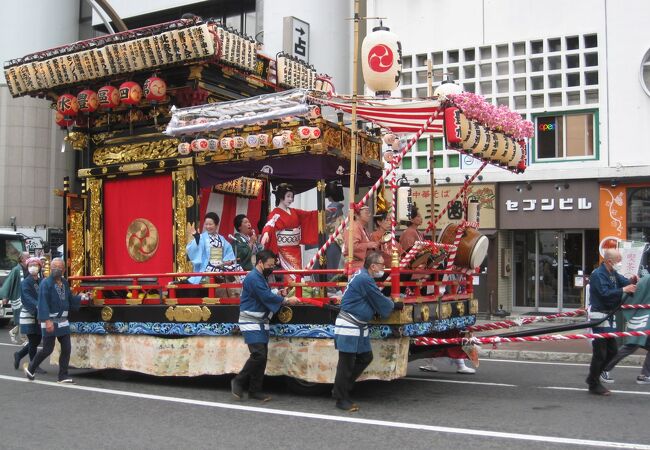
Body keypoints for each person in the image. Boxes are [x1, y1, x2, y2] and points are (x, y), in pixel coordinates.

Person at [332, 252, 403, 411]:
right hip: (349, 323)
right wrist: (393, 305)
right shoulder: (364, 279)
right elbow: (377, 298)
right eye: (381, 265)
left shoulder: (364, 276)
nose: (383, 268)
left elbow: (373, 298)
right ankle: (340, 397)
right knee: (346, 362)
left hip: (359, 324)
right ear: (373, 266)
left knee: (365, 357)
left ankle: (343, 388)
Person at [231, 250, 300, 401]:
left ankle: (255, 390)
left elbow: (267, 293)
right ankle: (238, 380)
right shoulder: (253, 278)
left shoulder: (260, 277)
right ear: (260, 263)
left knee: (262, 357)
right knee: (258, 355)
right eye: (269, 265)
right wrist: (286, 300)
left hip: (261, 321)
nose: (271, 268)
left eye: (272, 265)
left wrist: (280, 293)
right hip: (250, 320)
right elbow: (265, 296)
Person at [24, 258, 85, 383]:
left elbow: (69, 298)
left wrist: (82, 298)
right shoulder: (45, 283)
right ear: (51, 268)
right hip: (50, 320)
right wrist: (46, 321)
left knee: (67, 348)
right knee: (48, 349)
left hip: (63, 320)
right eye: (54, 266)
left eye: (59, 266)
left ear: (63, 269)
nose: (56, 269)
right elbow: (43, 303)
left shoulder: (65, 282)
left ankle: (63, 375)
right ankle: (31, 367)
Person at [586, 248, 637, 395]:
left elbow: (624, 282)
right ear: (609, 261)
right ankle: (593, 383)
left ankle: (593, 378)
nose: (619, 264)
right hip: (599, 316)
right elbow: (604, 294)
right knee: (600, 352)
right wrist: (624, 290)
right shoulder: (598, 274)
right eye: (618, 261)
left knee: (612, 351)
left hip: (609, 315)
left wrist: (633, 281)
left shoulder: (612, 273)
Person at [600, 274, 650, 386]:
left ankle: (645, 375)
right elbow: (633, 294)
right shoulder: (647, 279)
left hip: (645, 318)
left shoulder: (646, 278)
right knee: (631, 346)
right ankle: (605, 369)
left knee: (631, 346)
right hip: (643, 319)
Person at [261, 183, 318, 274]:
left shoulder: (294, 211)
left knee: (297, 272)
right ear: (281, 196)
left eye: (292, 197)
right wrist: (266, 233)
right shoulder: (275, 213)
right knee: (291, 274)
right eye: (288, 196)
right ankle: (291, 288)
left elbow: (309, 215)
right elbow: (269, 225)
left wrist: (322, 213)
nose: (290, 199)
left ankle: (296, 288)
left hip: (296, 248)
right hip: (284, 250)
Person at [186, 212, 238, 285]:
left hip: (221, 264)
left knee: (237, 268)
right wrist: (197, 238)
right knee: (215, 270)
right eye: (206, 224)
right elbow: (194, 249)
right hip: (207, 266)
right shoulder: (201, 237)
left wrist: (228, 261)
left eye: (210, 224)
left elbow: (228, 253)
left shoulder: (222, 239)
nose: (208, 226)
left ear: (216, 225)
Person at [13, 257, 44, 372]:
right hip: (29, 314)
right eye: (31, 265)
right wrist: (38, 305)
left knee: (36, 340)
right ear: (27, 267)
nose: (33, 267)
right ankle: (33, 365)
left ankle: (19, 355)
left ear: (40, 267)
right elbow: (27, 297)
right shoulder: (25, 282)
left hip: (40, 313)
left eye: (35, 265)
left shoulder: (42, 280)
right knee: (33, 341)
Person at [0, 251, 29, 344]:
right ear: (22, 259)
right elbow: (8, 283)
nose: (29, 258)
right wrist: (5, 296)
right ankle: (24, 339)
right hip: (18, 297)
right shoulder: (16, 269)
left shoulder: (29, 269)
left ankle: (13, 332)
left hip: (27, 297)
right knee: (22, 317)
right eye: (27, 257)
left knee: (26, 317)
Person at [343, 205, 379, 274]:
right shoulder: (354, 227)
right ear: (356, 215)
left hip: (363, 264)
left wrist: (378, 243)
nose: (369, 214)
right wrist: (368, 245)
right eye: (366, 212)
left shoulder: (362, 227)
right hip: (356, 265)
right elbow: (351, 247)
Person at [325, 180, 345, 271]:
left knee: (331, 267)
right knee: (336, 266)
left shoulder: (331, 209)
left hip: (332, 240)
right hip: (339, 238)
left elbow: (328, 226)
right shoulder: (339, 208)